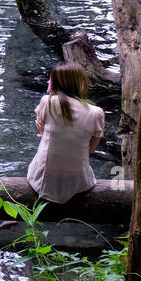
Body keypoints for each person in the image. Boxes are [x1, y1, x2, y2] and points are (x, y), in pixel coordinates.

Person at [27, 63, 105, 204]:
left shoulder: (47, 102)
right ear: (81, 82)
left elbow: (43, 128)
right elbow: (90, 149)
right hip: (79, 182)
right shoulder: (96, 112)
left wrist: (44, 133)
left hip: (42, 181)